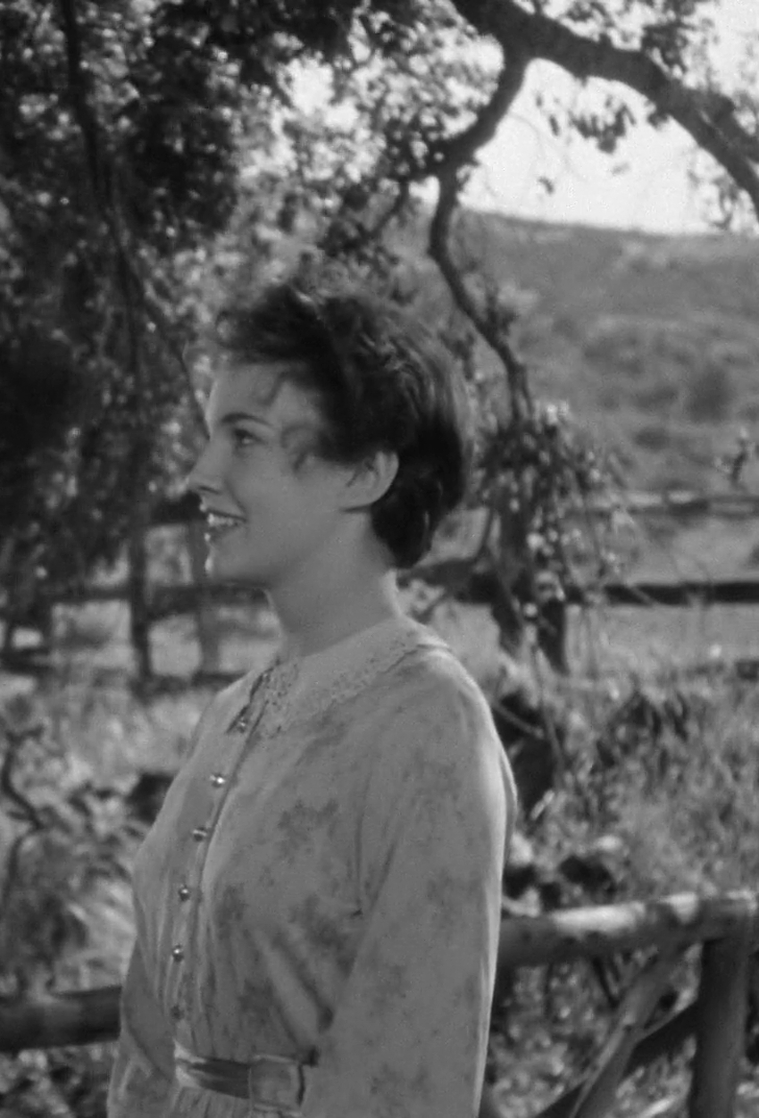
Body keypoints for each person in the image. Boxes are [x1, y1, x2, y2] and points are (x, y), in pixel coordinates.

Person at [109, 275, 517, 1117]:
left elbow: (413, 1090)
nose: (198, 473)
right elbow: (149, 1038)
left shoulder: (429, 726)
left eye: (244, 439)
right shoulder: (230, 712)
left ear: (362, 473)